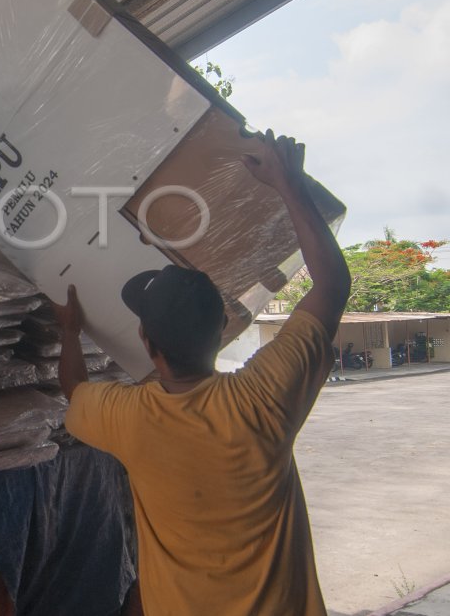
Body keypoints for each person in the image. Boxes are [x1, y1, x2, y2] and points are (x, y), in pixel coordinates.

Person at [52, 130, 351, 616]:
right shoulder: (263, 398)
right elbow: (332, 285)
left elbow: (74, 390)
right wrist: (287, 183)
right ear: (222, 328)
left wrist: (70, 330)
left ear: (147, 343)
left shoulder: (127, 417)